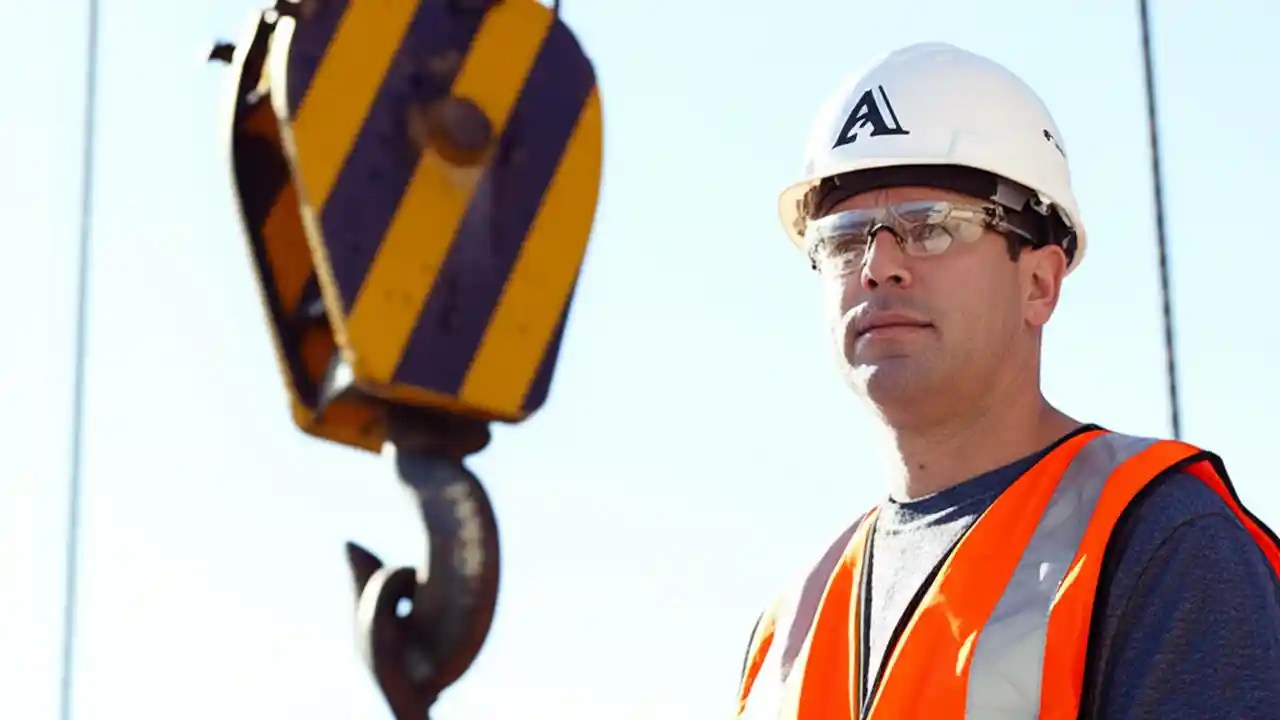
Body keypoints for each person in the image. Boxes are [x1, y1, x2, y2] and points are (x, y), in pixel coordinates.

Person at [735, 42, 1280, 719]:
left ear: (1039, 284)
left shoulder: (1161, 545)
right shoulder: (789, 630)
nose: (878, 266)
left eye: (930, 228)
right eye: (845, 239)